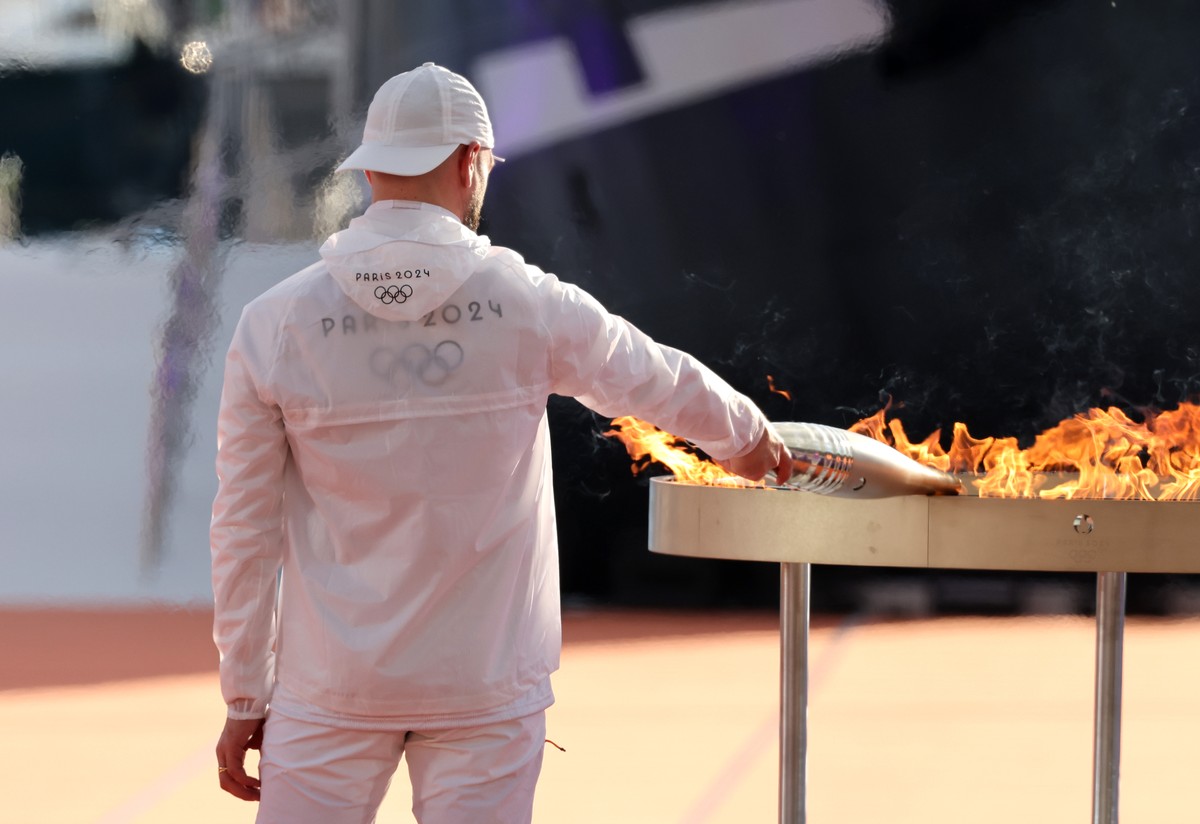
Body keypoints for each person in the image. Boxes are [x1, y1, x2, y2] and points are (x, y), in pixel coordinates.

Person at [210, 61, 792, 823]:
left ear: (373, 166)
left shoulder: (275, 324)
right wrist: (748, 438)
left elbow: (243, 530)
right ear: (468, 162)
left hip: (332, 688)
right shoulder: (525, 301)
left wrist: (247, 691)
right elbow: (654, 376)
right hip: (485, 682)